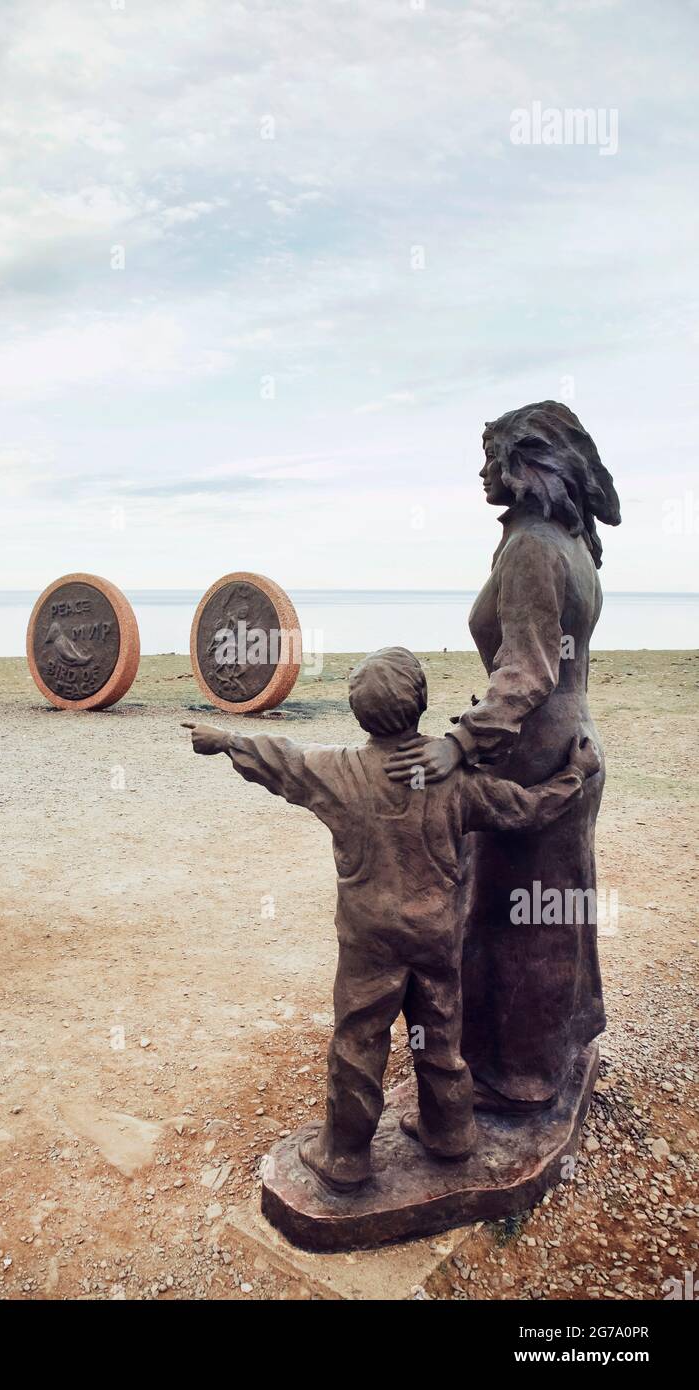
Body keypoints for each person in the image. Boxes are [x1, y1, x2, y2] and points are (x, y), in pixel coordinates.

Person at [184, 646, 601, 1193]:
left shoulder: (337, 771)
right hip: (435, 933)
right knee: (441, 1031)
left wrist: (226, 740)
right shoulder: (451, 778)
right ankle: (450, 1131)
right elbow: (525, 809)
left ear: (358, 713)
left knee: (360, 1039)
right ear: (422, 704)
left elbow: (282, 758)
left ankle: (345, 1157)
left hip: (369, 939)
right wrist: (576, 773)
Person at [385, 401, 621, 1112]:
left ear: (526, 463)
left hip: (530, 760)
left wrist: (458, 742)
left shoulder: (530, 548)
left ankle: (517, 1076)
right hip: (569, 745)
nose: (482, 469)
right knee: (548, 911)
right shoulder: (568, 542)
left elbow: (524, 671)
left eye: (491, 455)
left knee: (510, 920)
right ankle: (552, 1050)